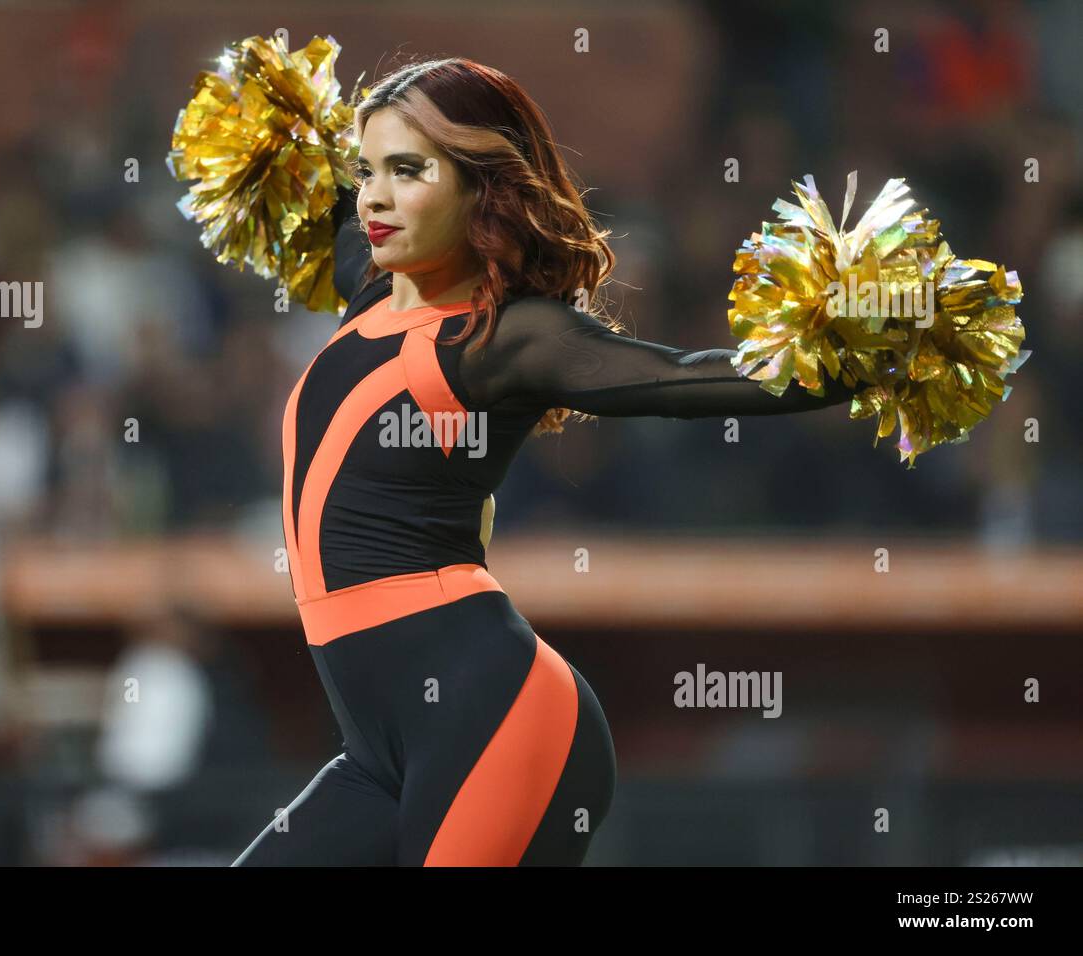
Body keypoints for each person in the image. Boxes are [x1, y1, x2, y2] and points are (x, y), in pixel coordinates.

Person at [232, 58, 858, 866]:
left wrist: (864, 348)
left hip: (494, 721)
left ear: (481, 188)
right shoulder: (371, 283)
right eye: (368, 170)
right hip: (377, 756)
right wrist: (262, 120)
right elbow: (280, 180)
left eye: (409, 171)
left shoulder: (501, 339)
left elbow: (686, 379)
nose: (375, 198)